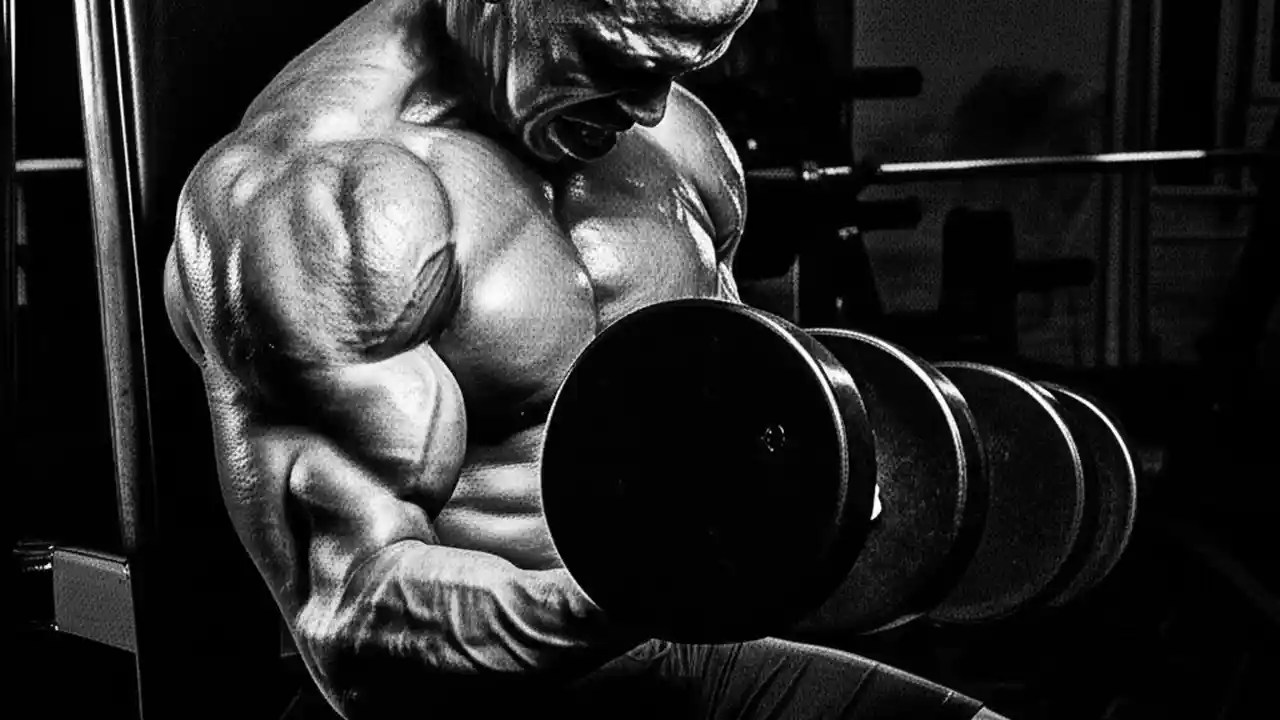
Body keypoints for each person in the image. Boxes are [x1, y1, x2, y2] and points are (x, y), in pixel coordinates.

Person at [163, 0, 1007, 717]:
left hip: (670, 650)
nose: (649, 108)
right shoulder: (316, 198)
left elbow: (739, 412)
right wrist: (685, 583)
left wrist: (813, 501)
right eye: (617, 57)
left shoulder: (678, 144)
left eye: (684, 63)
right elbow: (351, 628)